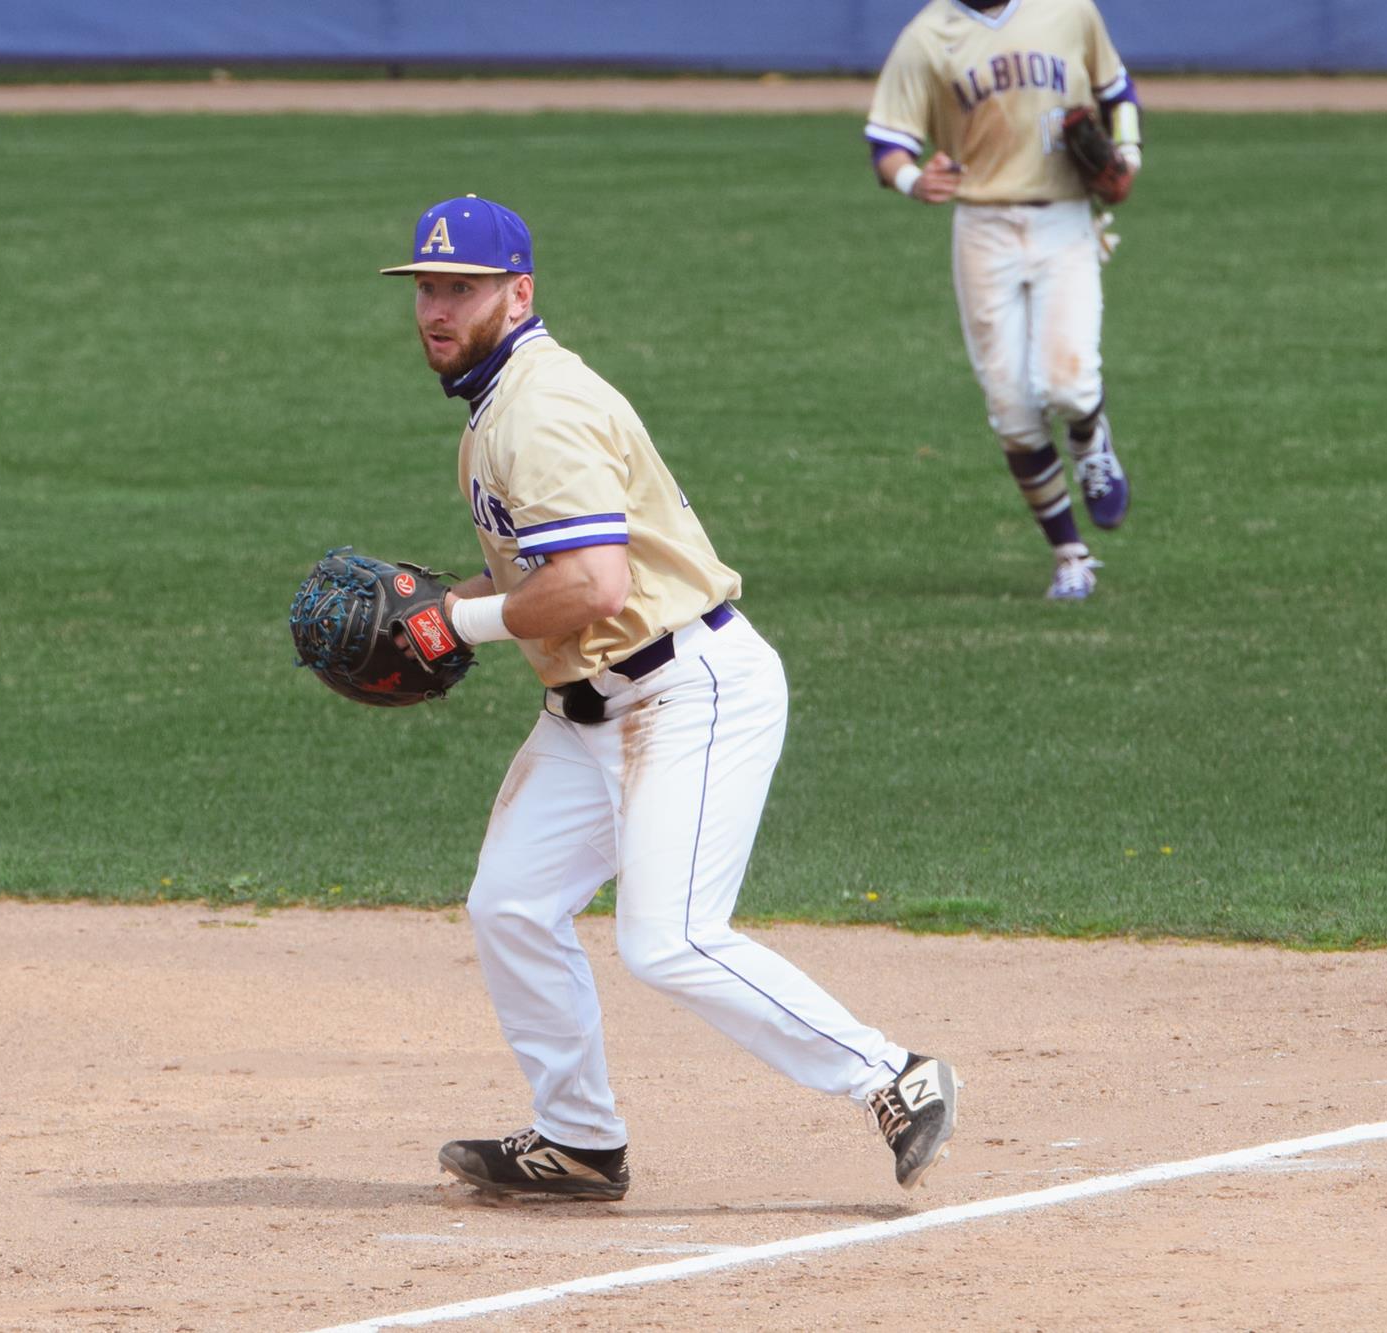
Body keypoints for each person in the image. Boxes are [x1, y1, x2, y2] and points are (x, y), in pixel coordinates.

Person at [378, 194, 958, 1200]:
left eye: (460, 289)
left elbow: (594, 587)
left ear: (517, 292)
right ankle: (576, 1141)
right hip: (586, 708)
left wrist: (456, 624)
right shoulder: (498, 405)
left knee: (668, 937)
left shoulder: (537, 409)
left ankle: (893, 1075)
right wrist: (436, 602)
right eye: (426, 287)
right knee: (510, 904)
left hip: (684, 691)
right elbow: (549, 570)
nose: (437, 308)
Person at [865, 0, 1142, 600]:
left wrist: (1132, 153)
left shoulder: (1068, 11)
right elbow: (886, 140)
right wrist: (911, 179)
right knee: (1012, 410)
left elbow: (1117, 92)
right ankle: (1071, 554)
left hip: (1065, 220)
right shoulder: (928, 37)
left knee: (1068, 383)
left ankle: (1091, 437)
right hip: (984, 229)